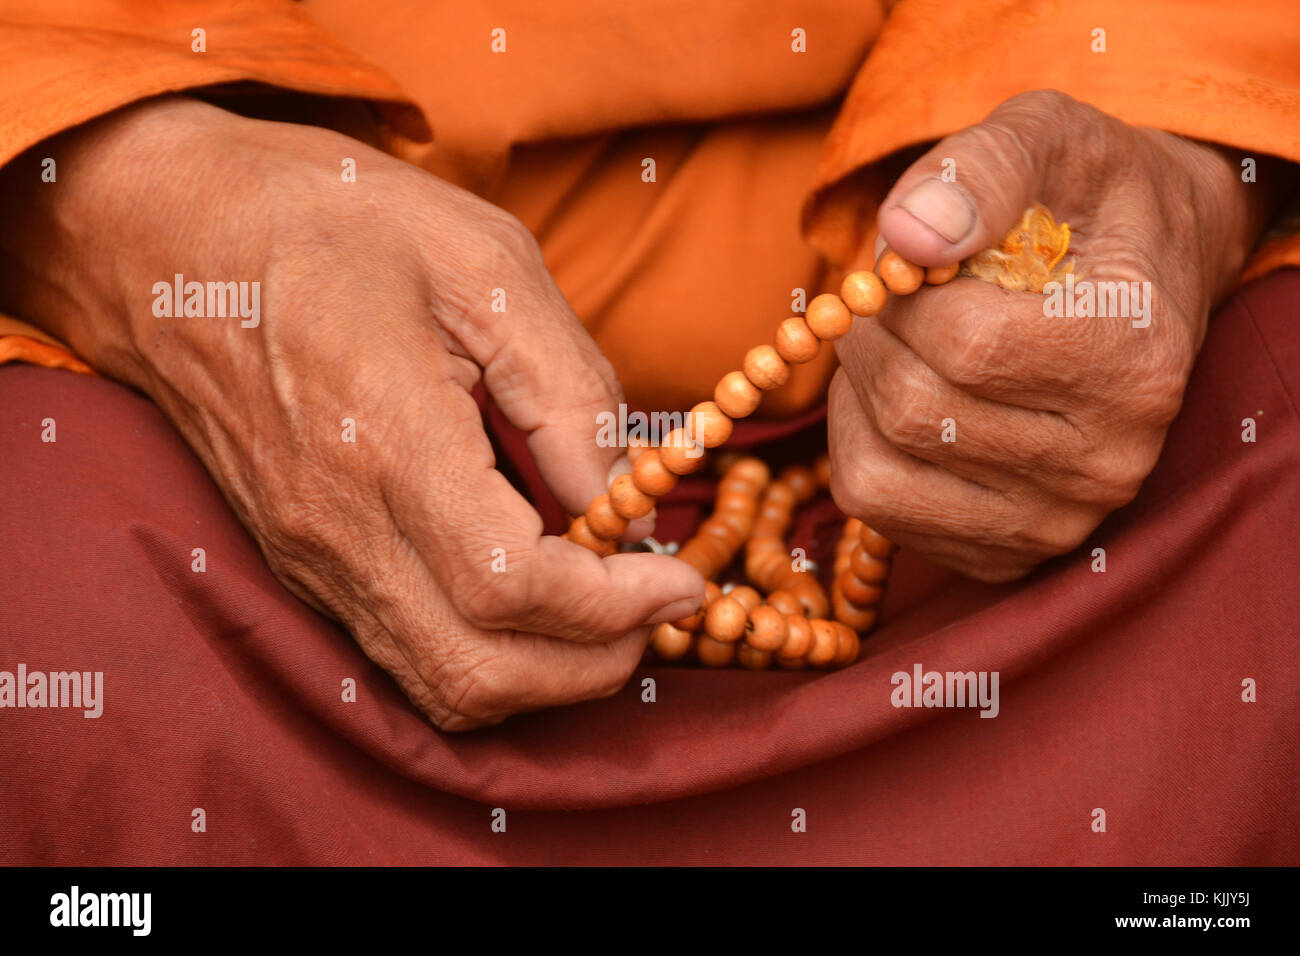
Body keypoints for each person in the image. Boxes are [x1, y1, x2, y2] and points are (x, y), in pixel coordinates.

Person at [1, 0, 1296, 864]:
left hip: (977, 341)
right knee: (46, 608)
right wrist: (117, 196)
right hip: (223, 332)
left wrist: (1179, 161)